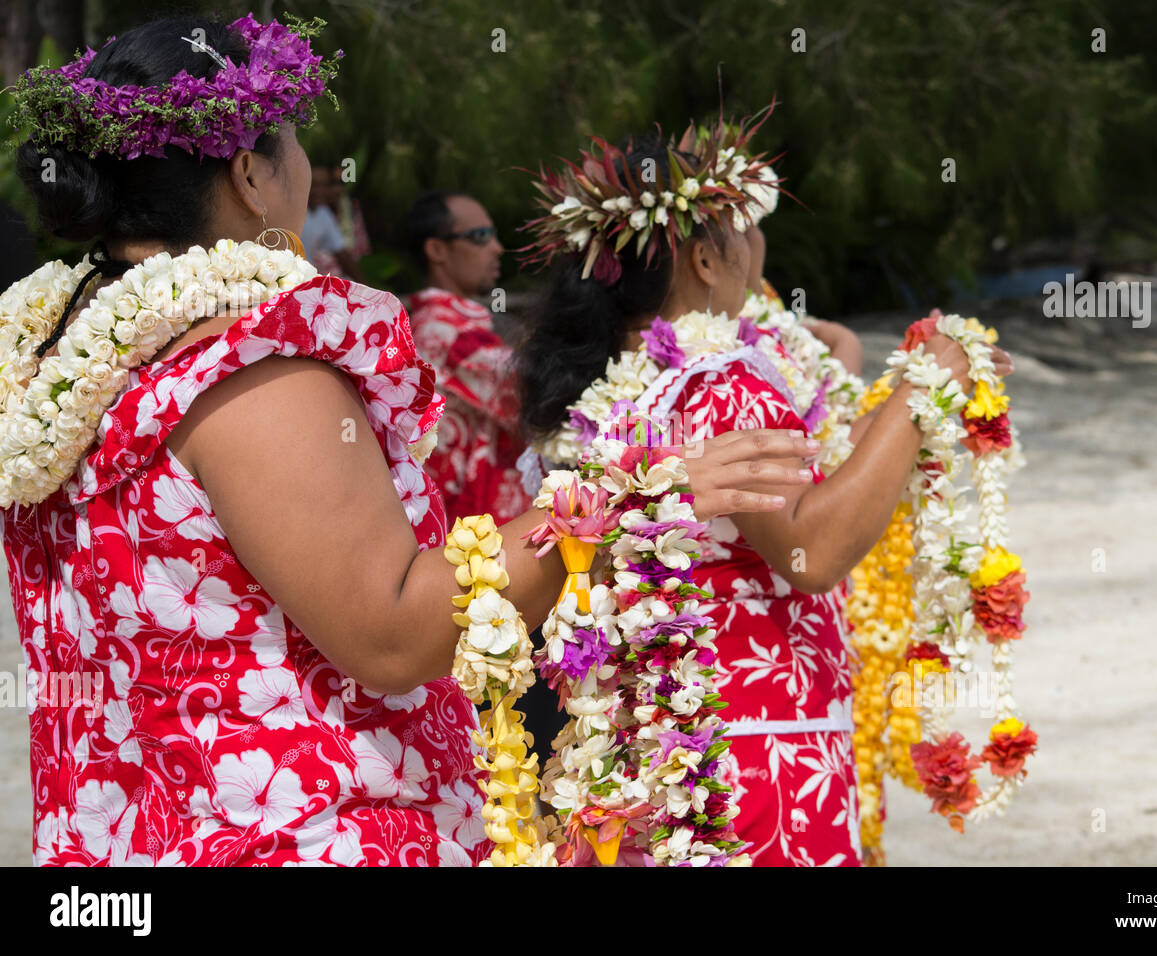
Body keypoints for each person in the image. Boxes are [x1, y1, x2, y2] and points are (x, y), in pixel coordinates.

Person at [0, 15, 816, 866]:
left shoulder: (62, 367)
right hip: (299, 837)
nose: (310, 173)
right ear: (249, 173)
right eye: (296, 144)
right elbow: (392, 629)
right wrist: (634, 501)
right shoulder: (250, 371)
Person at [515, 118, 1014, 866]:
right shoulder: (722, 380)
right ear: (707, 258)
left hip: (645, 750)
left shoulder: (613, 388)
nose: (758, 248)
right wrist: (925, 386)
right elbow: (811, 549)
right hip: (749, 748)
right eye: (743, 231)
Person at [402, 190, 527, 523]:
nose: (497, 248)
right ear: (437, 250)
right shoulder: (446, 333)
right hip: (472, 533)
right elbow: (539, 391)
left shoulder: (438, 324)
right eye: (481, 237)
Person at [302, 163, 366, 280]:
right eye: (314, 184)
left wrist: (365, 288)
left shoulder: (323, 212)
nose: (319, 190)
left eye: (324, 185)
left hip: (305, 279)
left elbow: (342, 254)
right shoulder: (295, 209)